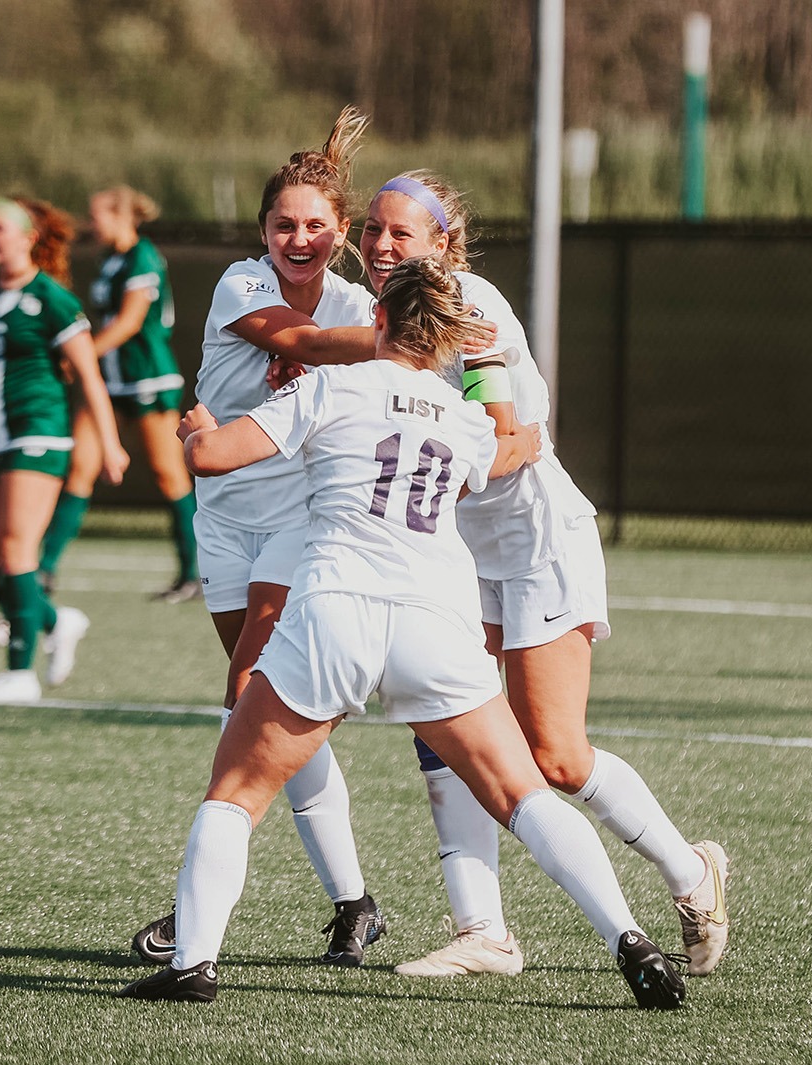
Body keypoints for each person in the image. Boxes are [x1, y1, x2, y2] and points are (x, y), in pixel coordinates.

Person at [118, 258, 684, 1009]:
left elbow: (214, 460)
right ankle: (629, 939)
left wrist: (196, 430)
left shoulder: (329, 384)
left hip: (336, 610)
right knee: (523, 796)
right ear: (445, 342)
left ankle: (194, 965)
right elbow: (513, 448)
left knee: (235, 794)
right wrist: (490, 370)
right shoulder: (459, 416)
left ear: (376, 320)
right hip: (434, 619)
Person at [316, 172, 732, 980]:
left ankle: (691, 873)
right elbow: (335, 353)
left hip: (536, 540)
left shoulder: (468, 309)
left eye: (402, 234)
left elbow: (517, 443)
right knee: (445, 726)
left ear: (444, 244)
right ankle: (484, 933)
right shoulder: (371, 314)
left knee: (556, 755)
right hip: (454, 554)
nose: (381, 246)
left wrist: (441, 468)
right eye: (373, 230)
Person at [129, 108, 393, 968]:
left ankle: (193, 919)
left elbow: (351, 358)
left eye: (318, 226)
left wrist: (406, 341)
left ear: (341, 233)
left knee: (250, 694)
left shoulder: (361, 303)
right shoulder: (243, 285)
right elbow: (304, 341)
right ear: (263, 231)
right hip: (226, 520)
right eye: (285, 224)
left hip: (304, 520)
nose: (300, 238)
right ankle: (356, 904)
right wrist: (366, 347)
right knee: (270, 713)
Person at [0, 197, 128, 704]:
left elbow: (88, 377)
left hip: (39, 434)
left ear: (27, 238)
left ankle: (19, 672)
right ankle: (55, 620)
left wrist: (109, 443)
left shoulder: (51, 300)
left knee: (17, 547)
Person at [38, 185, 200, 603]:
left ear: (121, 216)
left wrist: (81, 355)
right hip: (109, 381)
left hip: (146, 377)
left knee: (169, 473)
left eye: (98, 216)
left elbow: (130, 322)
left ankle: (194, 574)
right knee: (81, 466)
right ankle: (43, 570)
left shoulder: (142, 257)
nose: (91, 225)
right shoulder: (110, 259)